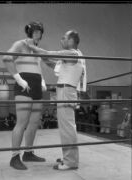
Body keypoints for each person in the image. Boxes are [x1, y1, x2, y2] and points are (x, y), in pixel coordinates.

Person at [27, 30, 87, 170]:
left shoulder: (73, 53)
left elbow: (50, 53)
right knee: (65, 127)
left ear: (71, 41)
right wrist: (41, 55)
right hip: (64, 91)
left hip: (66, 91)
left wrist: (32, 46)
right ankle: (68, 157)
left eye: (64, 38)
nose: (61, 40)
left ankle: (70, 162)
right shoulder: (68, 59)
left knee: (67, 128)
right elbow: (51, 62)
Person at [2, 21, 47, 170]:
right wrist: (19, 79)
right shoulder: (20, 44)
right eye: (34, 31)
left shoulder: (37, 49)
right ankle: (15, 157)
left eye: (39, 32)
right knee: (21, 122)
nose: (37, 34)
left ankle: (28, 152)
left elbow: (38, 66)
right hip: (24, 86)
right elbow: (6, 58)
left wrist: (43, 81)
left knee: (34, 123)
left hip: (37, 86)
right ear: (29, 32)